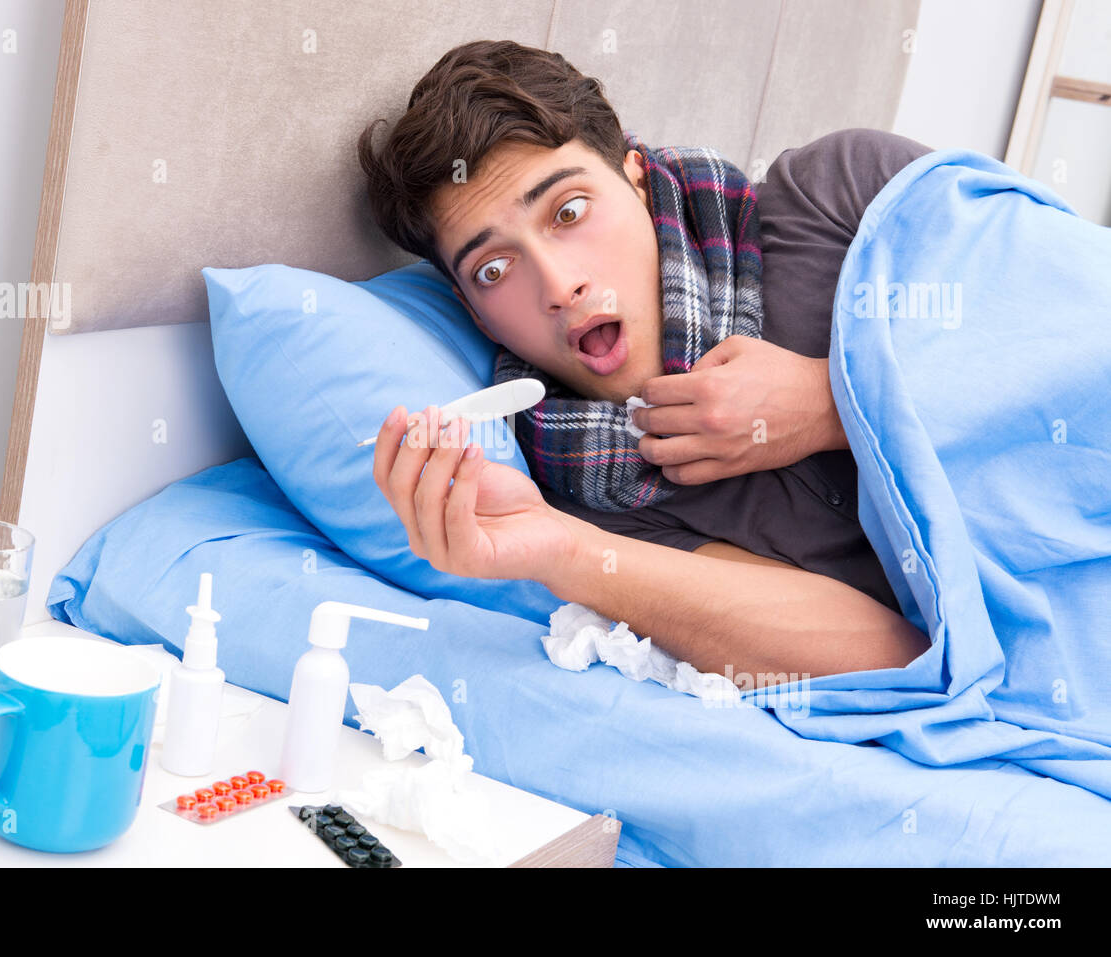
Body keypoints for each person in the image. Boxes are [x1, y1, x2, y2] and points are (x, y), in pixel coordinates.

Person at [357, 40, 931, 686]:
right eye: (495, 268)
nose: (558, 284)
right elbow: (896, 652)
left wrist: (831, 404)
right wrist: (560, 549)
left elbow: (1060, 349)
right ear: (475, 311)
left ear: (635, 174)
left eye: (568, 212)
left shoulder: (839, 194)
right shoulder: (594, 502)